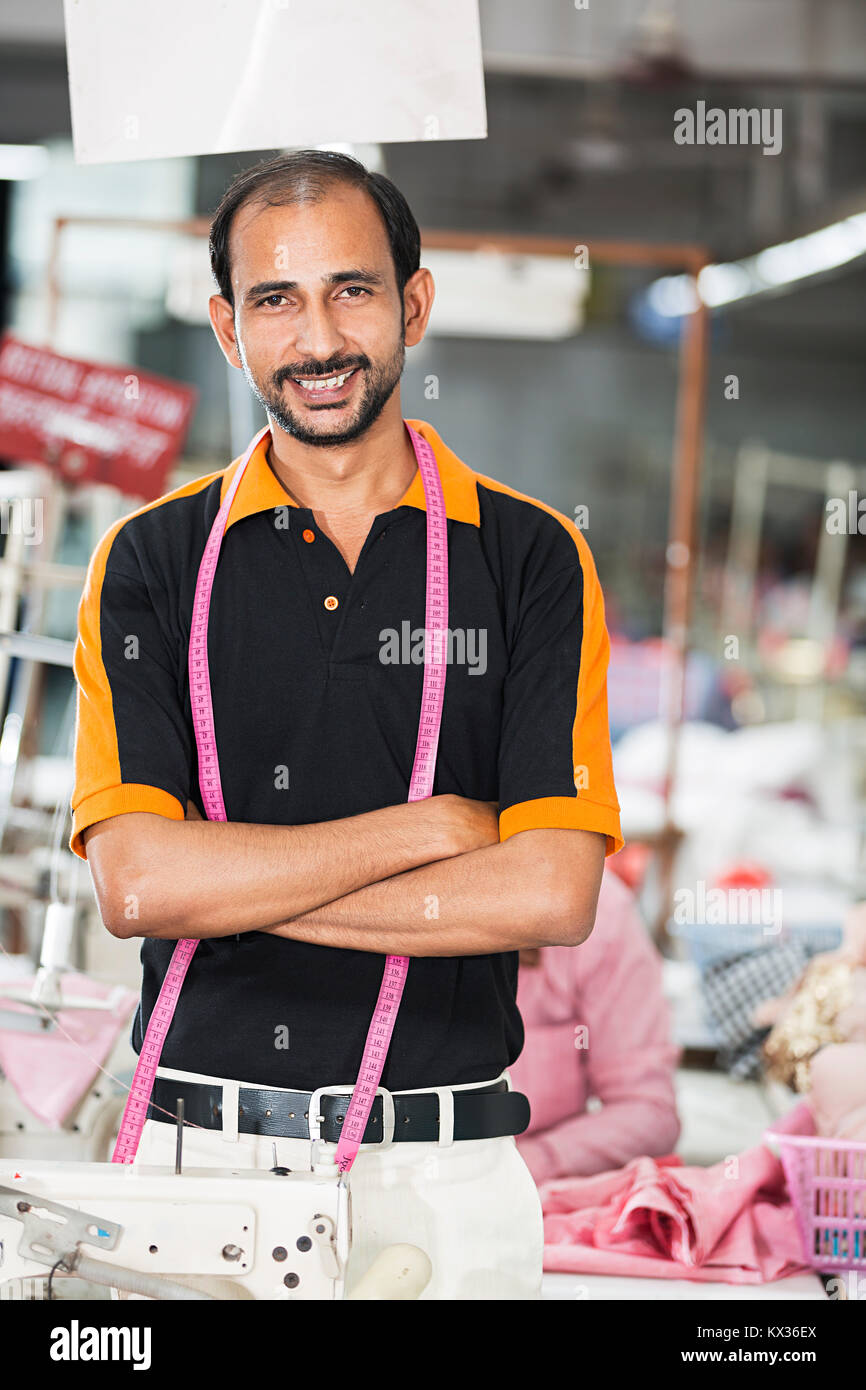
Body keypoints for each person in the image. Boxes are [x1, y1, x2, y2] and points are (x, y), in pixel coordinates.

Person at [69, 149, 623, 1300]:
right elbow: (138, 890)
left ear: (412, 302)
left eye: (350, 290)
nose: (316, 339)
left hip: (444, 1172)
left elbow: (546, 896)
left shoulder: (530, 560)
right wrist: (430, 828)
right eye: (274, 299)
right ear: (228, 328)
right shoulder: (149, 565)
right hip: (195, 1162)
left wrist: (234, 891)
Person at [512, 867, 680, 1185]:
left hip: (529, 1193)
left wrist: (527, 1165)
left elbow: (648, 1111)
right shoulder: (400, 912)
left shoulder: (596, 913)